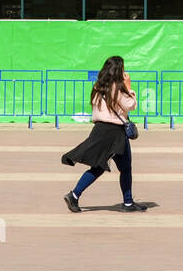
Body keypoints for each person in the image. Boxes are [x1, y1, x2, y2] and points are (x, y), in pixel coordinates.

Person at [61, 56, 147, 212]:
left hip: (100, 130)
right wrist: (129, 87)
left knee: (102, 166)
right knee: (122, 167)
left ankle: (126, 202)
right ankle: (75, 195)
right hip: (114, 133)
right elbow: (130, 105)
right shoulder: (117, 88)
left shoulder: (98, 87)